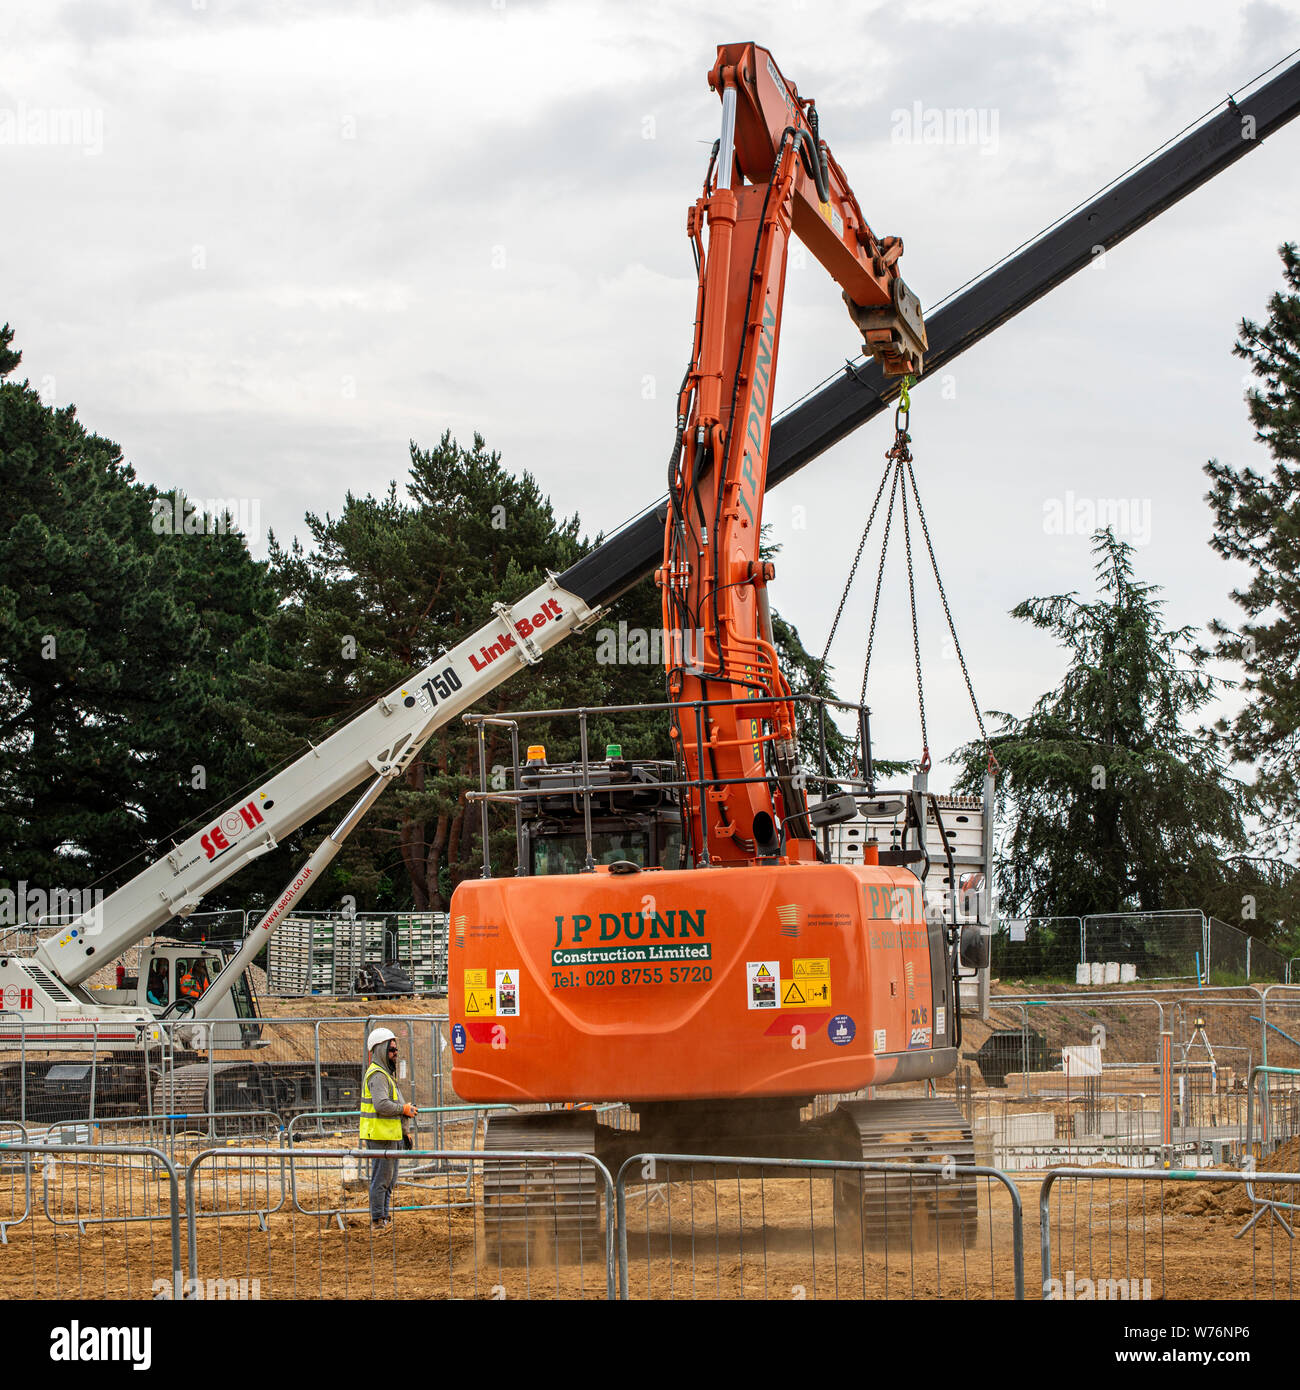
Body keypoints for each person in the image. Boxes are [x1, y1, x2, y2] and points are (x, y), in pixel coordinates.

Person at [360, 1027, 417, 1231]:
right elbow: (382, 1105)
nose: (395, 1053)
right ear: (381, 1050)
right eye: (392, 1049)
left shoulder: (385, 1074)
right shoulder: (377, 1075)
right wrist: (404, 1109)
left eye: (396, 1049)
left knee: (389, 1181)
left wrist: (404, 1131)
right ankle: (377, 1219)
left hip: (391, 1135)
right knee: (381, 1180)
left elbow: (395, 1106)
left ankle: (384, 1216)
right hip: (380, 1136)